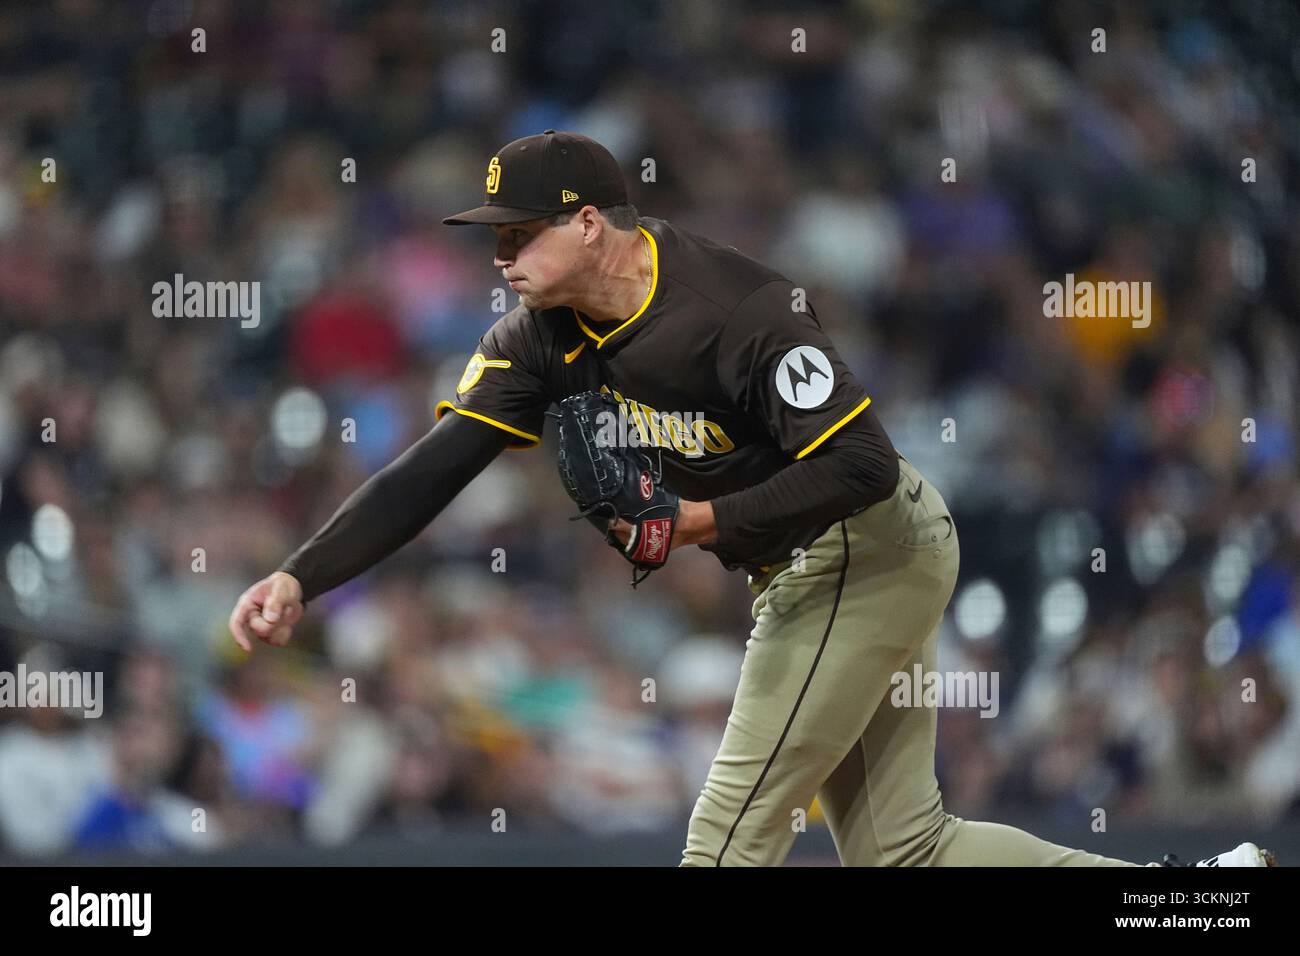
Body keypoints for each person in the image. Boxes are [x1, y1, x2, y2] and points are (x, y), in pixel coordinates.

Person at [228, 130, 1274, 868]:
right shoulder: (534, 338)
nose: (498, 254)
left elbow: (862, 462)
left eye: (517, 233)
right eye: (491, 235)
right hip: (814, 561)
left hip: (865, 542)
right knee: (906, 851)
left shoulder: (738, 310)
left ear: (589, 225)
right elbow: (434, 463)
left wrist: (697, 524)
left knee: (726, 833)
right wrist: (299, 573)